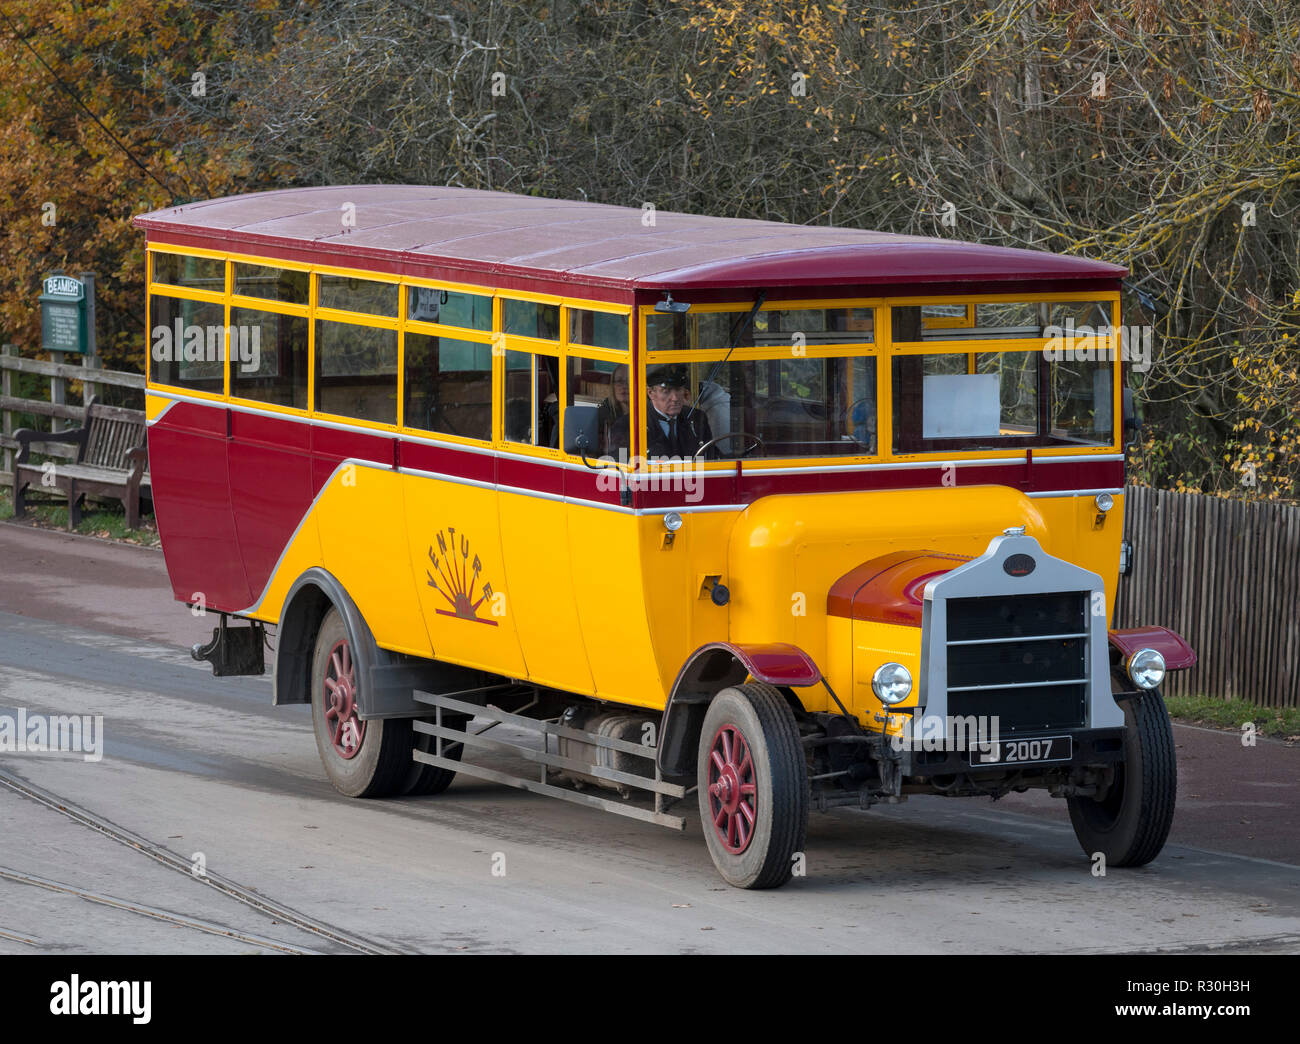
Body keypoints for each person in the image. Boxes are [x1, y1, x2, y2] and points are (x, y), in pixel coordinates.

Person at [646, 364, 713, 459]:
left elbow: (712, 456)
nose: (675, 398)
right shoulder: (630, 424)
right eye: (666, 391)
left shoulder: (697, 418)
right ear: (651, 393)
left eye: (678, 390)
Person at [596, 363, 630, 457]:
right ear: (612, 385)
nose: (624, 386)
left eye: (629, 381)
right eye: (619, 381)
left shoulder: (648, 414)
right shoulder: (603, 414)